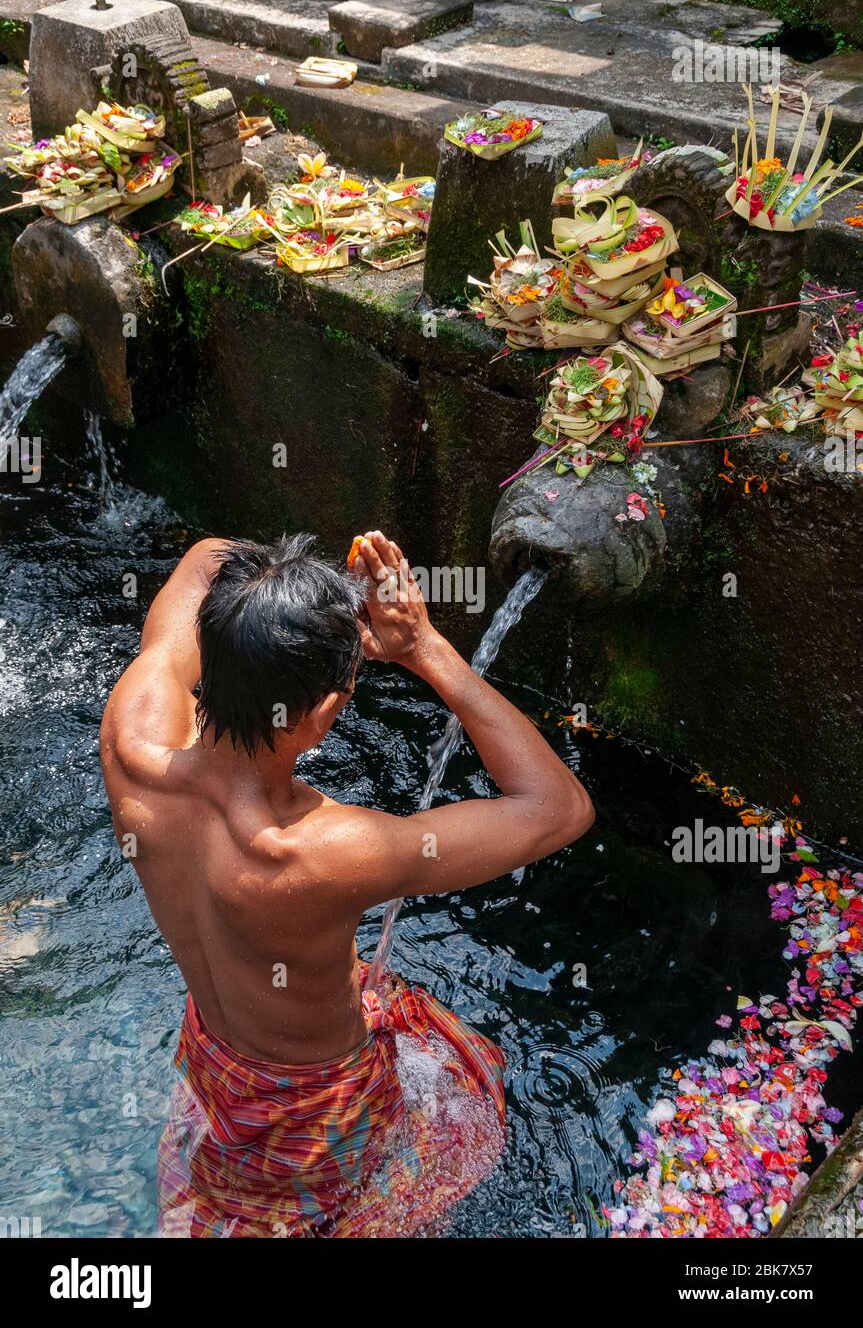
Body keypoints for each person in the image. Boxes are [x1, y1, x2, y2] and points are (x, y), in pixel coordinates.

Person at [100, 529, 594, 1237]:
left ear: (213, 652)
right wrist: (421, 646)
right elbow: (558, 808)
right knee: (348, 1216)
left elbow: (208, 558)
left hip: (215, 1049)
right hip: (313, 1100)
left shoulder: (132, 737)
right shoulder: (325, 852)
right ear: (326, 712)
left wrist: (287, 592)